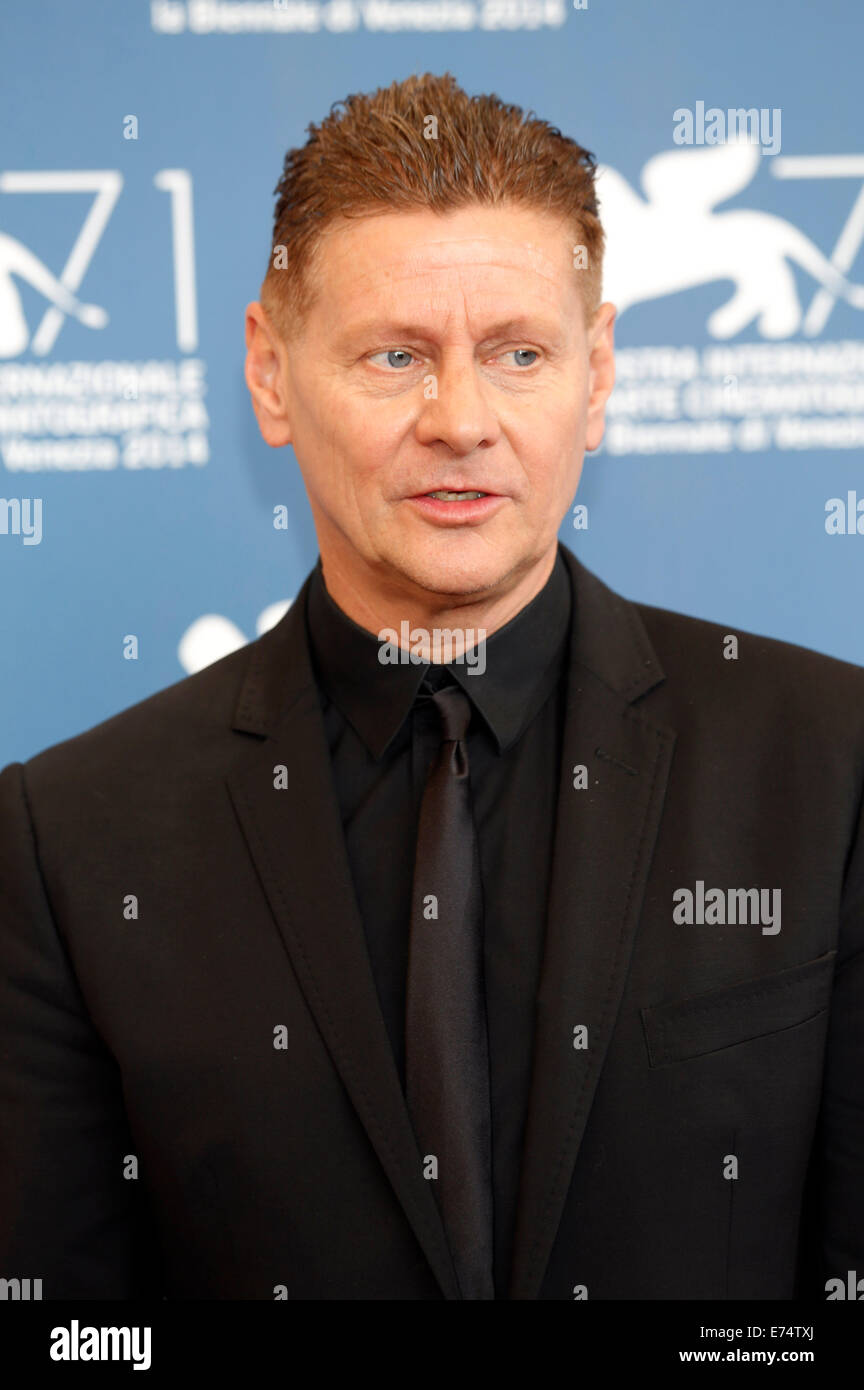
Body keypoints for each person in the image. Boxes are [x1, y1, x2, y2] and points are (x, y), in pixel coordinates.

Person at [1, 71, 862, 1301]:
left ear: (599, 372)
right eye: (395, 354)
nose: (460, 418)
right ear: (269, 372)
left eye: (518, 352)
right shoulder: (68, 841)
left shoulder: (830, 770)